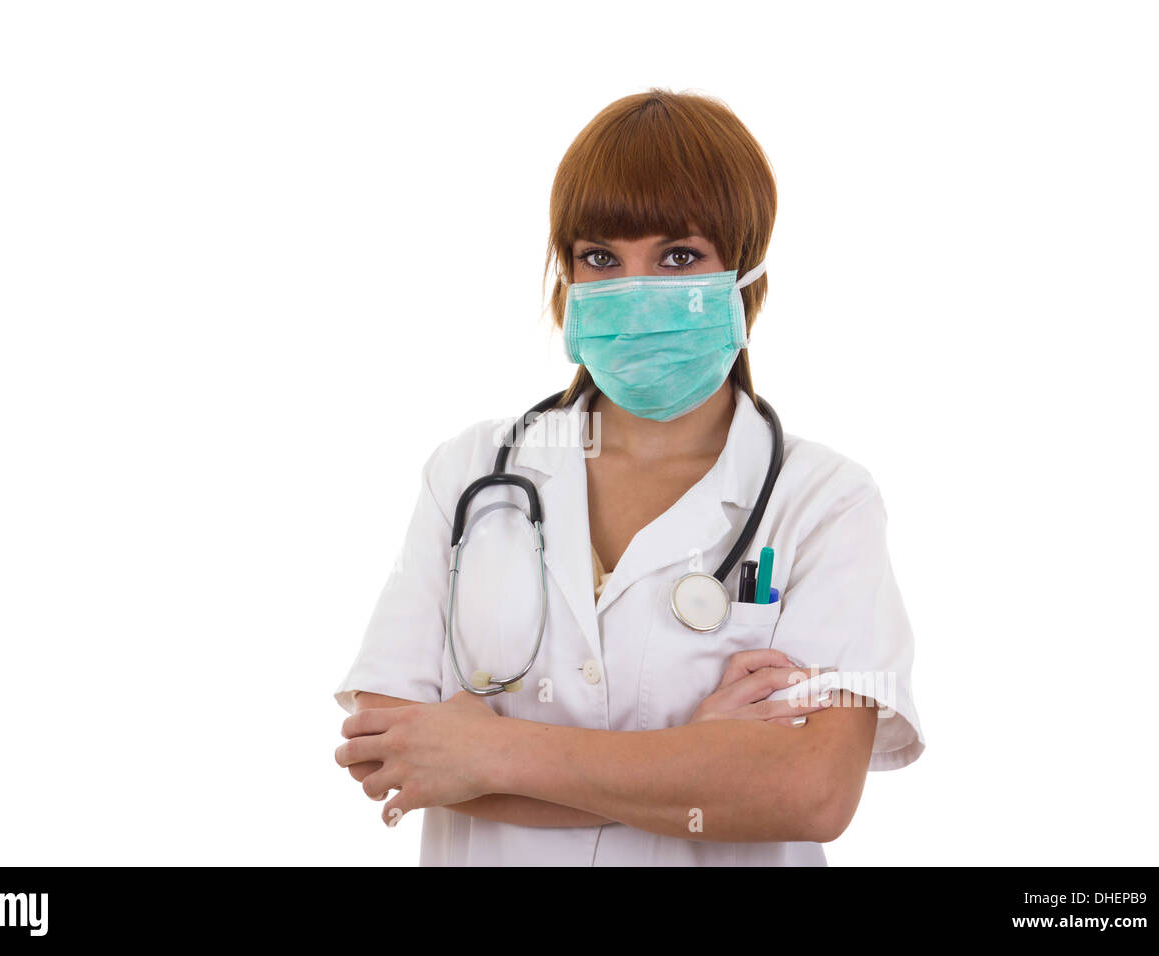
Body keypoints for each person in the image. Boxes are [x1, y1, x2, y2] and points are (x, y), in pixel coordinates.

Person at [334, 88, 924, 866]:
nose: (634, 288)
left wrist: (488, 752)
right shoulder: (471, 473)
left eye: (679, 256)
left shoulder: (825, 502)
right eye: (600, 257)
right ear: (567, 274)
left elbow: (810, 791)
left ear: (744, 274)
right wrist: (697, 763)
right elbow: (391, 753)